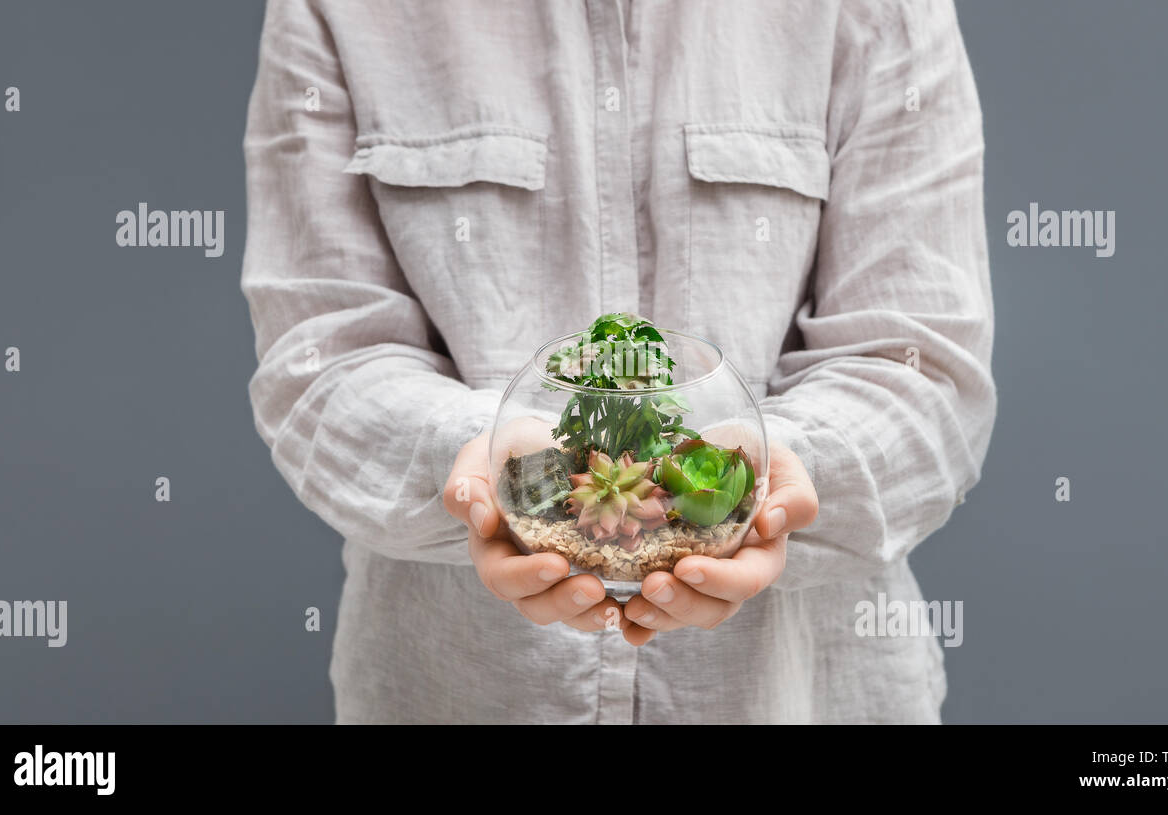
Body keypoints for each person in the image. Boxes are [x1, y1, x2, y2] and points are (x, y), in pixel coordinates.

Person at [241, 0, 995, 724]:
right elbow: (319, 360)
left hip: (802, 694)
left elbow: (922, 365)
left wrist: (762, 481)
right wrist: (502, 471)